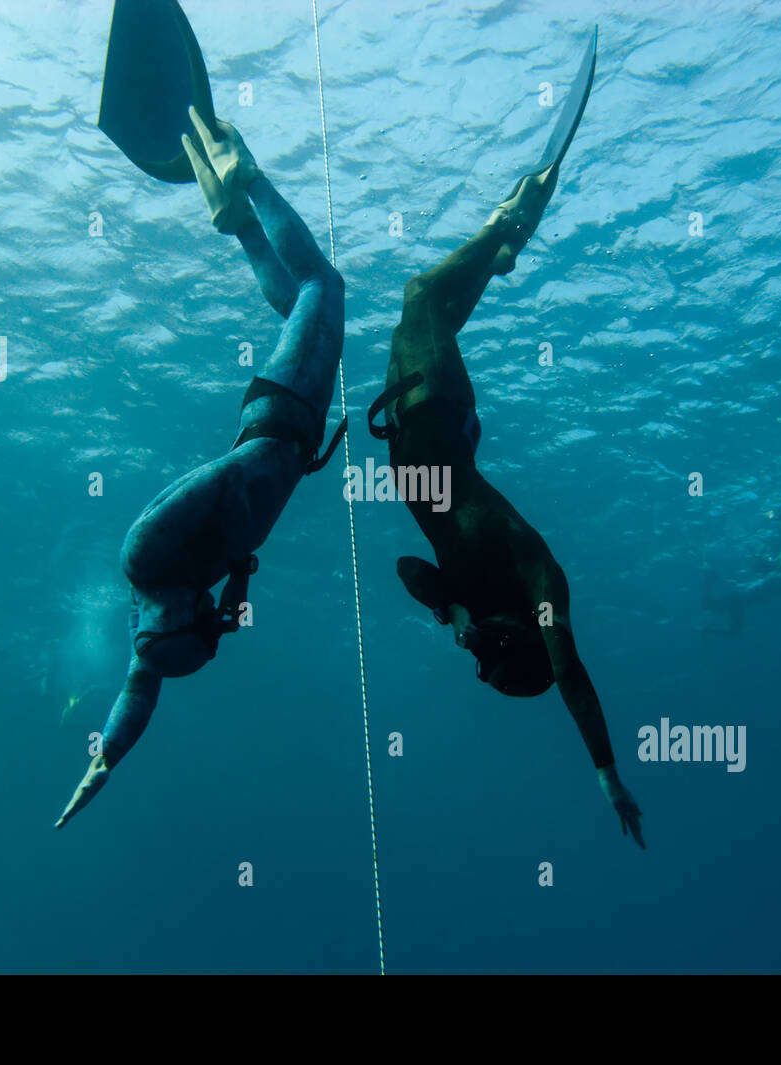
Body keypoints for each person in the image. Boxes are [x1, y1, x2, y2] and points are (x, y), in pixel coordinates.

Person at [366, 32, 644, 849]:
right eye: (493, 657)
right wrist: (607, 773)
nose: (476, 654)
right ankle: (506, 227)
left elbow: (405, 568)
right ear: (520, 641)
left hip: (413, 414)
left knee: (432, 309)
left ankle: (502, 250)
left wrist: (453, 610)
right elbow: (573, 674)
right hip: (438, 413)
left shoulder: (472, 600)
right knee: (421, 295)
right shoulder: (536, 574)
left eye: (476, 662)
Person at [56, 110, 345, 828]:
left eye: (205, 620)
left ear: (177, 615)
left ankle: (248, 180)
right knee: (296, 309)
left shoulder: (148, 554)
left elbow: (225, 477)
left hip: (278, 416)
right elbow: (140, 693)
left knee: (321, 289)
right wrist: (104, 761)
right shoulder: (169, 618)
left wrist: (243, 548)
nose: (217, 616)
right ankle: (237, 219)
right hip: (291, 429)